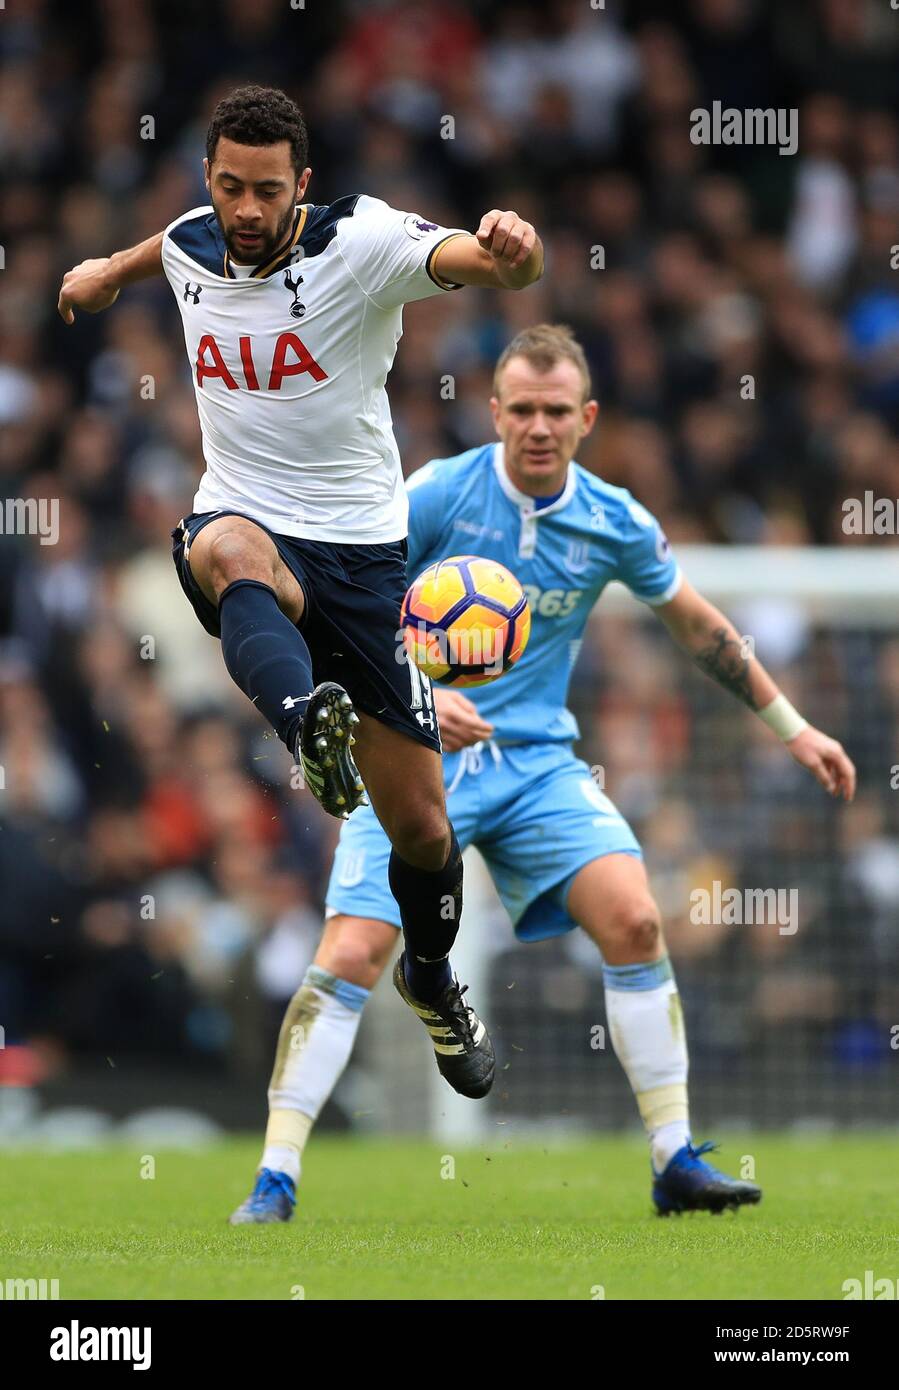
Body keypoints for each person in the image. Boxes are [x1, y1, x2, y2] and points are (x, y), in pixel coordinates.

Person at [232, 323, 857, 1222]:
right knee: (354, 951)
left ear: (586, 417)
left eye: (554, 410)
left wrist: (789, 726)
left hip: (535, 765)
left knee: (638, 918)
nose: (536, 425)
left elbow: (694, 624)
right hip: (415, 751)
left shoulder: (611, 519)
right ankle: (274, 1180)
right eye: (519, 408)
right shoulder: (435, 497)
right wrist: (412, 695)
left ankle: (675, 1159)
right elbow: (341, 609)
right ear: (492, 413)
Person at [56, 85, 544, 1113]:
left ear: (302, 187)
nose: (243, 209)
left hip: (364, 565)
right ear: (208, 177)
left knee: (421, 831)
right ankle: (303, 726)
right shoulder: (194, 241)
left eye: (265, 191)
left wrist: (509, 248)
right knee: (226, 552)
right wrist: (105, 272)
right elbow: (170, 245)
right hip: (248, 523)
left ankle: (428, 973)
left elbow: (475, 261)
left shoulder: (358, 244)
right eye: (228, 185)